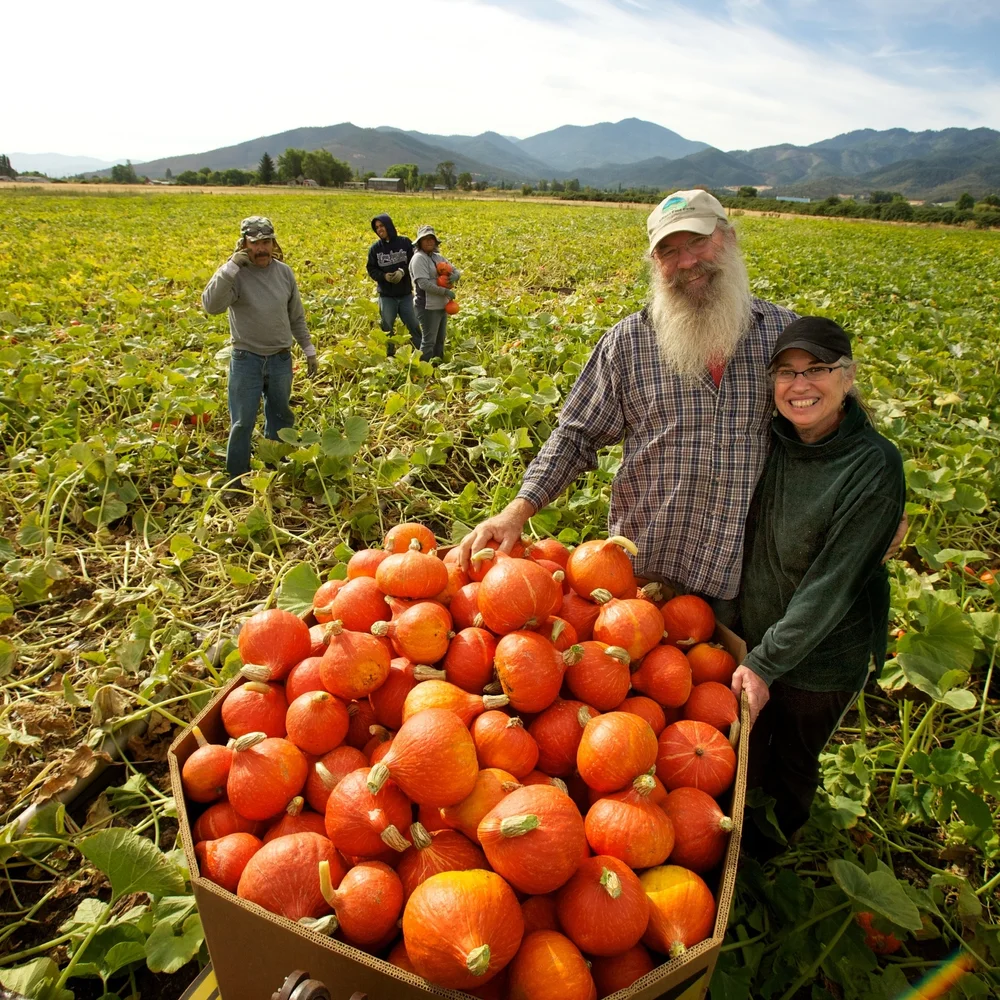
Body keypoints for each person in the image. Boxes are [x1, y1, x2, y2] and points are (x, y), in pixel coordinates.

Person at [457, 189, 797, 623]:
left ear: (728, 239)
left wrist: (880, 508)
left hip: (749, 572)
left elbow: (839, 432)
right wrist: (516, 510)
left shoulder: (785, 336)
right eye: (669, 251)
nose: (687, 261)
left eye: (697, 242)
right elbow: (576, 435)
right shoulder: (629, 342)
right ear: (655, 264)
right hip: (643, 567)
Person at [730, 316, 905, 858]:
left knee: (792, 765)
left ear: (848, 377)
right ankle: (739, 847)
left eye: (819, 370)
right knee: (744, 759)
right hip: (756, 637)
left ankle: (773, 857)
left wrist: (765, 662)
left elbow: (833, 585)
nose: (801, 385)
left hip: (822, 659)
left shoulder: (873, 465)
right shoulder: (773, 439)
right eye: (787, 372)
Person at [201, 216, 318, 482]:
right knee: (242, 422)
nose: (262, 248)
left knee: (280, 416)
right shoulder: (235, 274)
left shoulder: (284, 272)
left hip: (280, 358)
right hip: (247, 359)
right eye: (255, 243)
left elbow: (296, 316)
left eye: (266, 242)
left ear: (273, 242)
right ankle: (235, 480)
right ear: (244, 244)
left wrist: (308, 349)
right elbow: (211, 305)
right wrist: (230, 267)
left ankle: (275, 471)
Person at [367, 213, 421, 356]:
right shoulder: (375, 249)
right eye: (377, 227)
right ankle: (389, 356)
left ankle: (422, 353)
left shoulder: (405, 243)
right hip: (386, 296)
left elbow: (415, 261)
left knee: (414, 325)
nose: (379, 229)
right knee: (387, 328)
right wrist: (384, 276)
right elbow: (371, 269)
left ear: (389, 225)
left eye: (382, 226)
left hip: (405, 295)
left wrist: (402, 272)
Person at [409, 224, 459, 363]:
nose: (429, 241)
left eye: (432, 238)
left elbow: (454, 269)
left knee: (440, 340)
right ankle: (424, 369)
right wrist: (445, 291)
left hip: (442, 305)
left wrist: (456, 275)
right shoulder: (418, 258)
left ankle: (438, 367)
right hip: (427, 306)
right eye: (426, 239)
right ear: (419, 242)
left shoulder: (438, 257)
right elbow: (423, 284)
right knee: (429, 341)